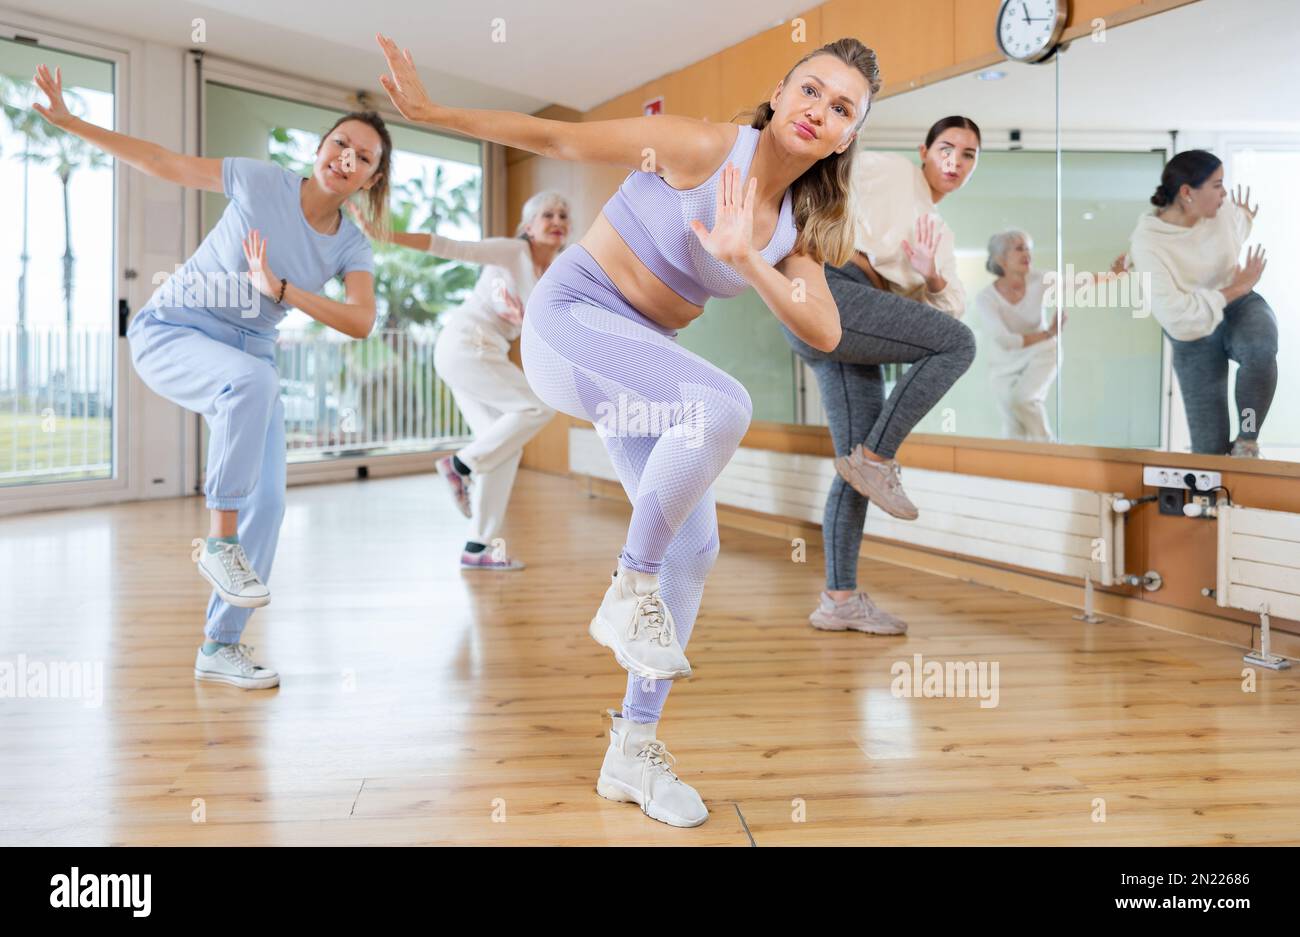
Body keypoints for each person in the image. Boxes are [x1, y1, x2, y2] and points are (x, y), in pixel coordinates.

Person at [376, 32, 877, 826]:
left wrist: (748, 261)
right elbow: (556, 138)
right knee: (723, 406)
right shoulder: (706, 146)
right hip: (568, 322)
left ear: (850, 134)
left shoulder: (793, 226)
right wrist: (433, 112)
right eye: (811, 90)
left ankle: (632, 751)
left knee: (698, 545)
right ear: (781, 95)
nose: (821, 110)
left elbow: (823, 330)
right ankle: (629, 583)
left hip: (635, 361)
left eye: (843, 106)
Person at [33, 63, 385, 688]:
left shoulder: (351, 246)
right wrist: (70, 121)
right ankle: (220, 545)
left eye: (363, 157)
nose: (347, 159)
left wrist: (280, 290)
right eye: (340, 145)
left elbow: (360, 321)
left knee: (271, 503)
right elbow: (162, 161)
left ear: (370, 179)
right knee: (251, 385)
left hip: (252, 355)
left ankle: (219, 646)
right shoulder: (260, 180)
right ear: (320, 147)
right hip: (173, 330)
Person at [784, 117, 981, 636]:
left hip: (853, 326)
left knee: (853, 468)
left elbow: (952, 305)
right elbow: (822, 166)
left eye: (968, 155)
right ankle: (877, 459)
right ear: (925, 151)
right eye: (947, 148)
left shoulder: (940, 233)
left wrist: (931, 273)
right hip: (829, 287)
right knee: (959, 347)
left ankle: (838, 599)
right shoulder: (888, 171)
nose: (955, 161)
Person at [352, 191, 568, 568]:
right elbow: (451, 247)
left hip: (482, 354)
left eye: (563, 215)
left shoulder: (552, 275)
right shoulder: (511, 251)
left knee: (502, 446)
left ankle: (478, 547)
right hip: (466, 346)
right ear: (528, 226)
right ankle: (461, 465)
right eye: (547, 214)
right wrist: (384, 234)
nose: (557, 221)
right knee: (537, 405)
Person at [1127, 150, 1273, 456]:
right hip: (1191, 331)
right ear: (1186, 192)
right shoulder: (1148, 243)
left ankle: (1247, 438)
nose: (1225, 193)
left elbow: (1232, 233)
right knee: (1210, 450)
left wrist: (1245, 218)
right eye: (1217, 185)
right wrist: (1238, 286)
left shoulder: (1221, 210)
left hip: (1238, 305)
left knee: (1259, 350)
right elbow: (1178, 316)